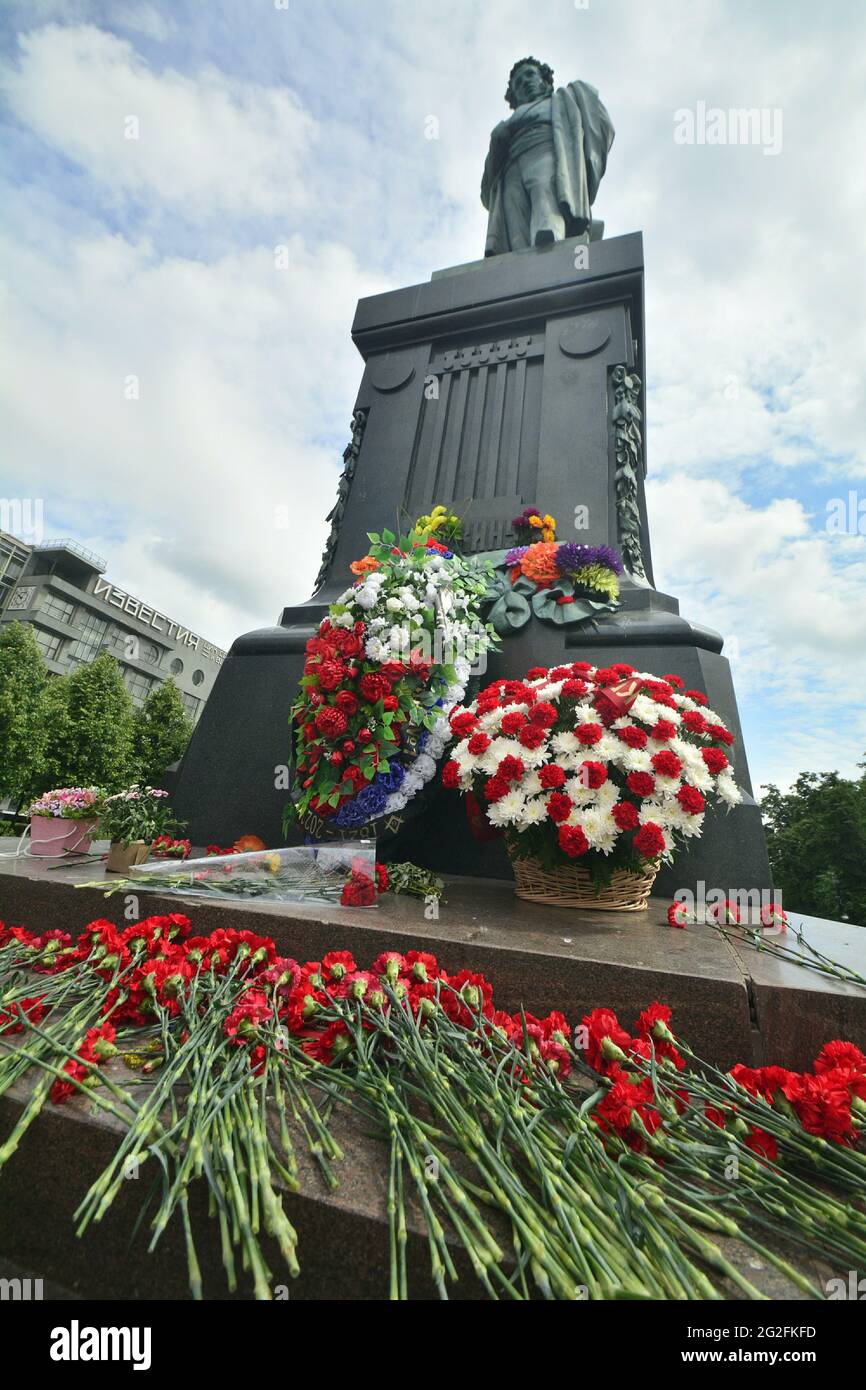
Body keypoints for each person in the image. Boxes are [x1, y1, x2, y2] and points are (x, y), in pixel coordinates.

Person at [481, 57, 614, 257]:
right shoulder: (506, 125)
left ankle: (552, 245)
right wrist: (496, 144)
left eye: (530, 75)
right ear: (513, 95)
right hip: (510, 168)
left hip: (545, 153)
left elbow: (601, 125)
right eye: (518, 82)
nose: (524, 82)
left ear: (544, 79)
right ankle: (519, 264)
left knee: (545, 194)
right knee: (515, 217)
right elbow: (486, 191)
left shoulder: (562, 100)